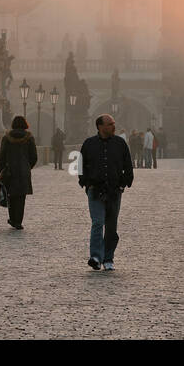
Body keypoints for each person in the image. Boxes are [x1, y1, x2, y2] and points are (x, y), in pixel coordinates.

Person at [79, 114, 134, 270]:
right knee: (97, 222)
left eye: (113, 123)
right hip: (95, 190)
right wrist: (86, 183)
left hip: (114, 190)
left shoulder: (120, 143)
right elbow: (80, 164)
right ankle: (96, 256)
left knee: (111, 226)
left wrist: (123, 184)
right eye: (110, 124)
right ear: (100, 127)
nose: (113, 126)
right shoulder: (89, 144)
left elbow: (128, 166)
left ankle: (108, 258)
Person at [0, 115, 38, 229]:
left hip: (10, 170)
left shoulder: (6, 137)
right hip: (24, 170)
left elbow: (2, 155)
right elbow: (34, 156)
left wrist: (1, 169)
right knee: (21, 196)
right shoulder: (29, 137)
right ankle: (18, 221)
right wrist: (27, 166)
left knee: (10, 195)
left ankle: (12, 219)